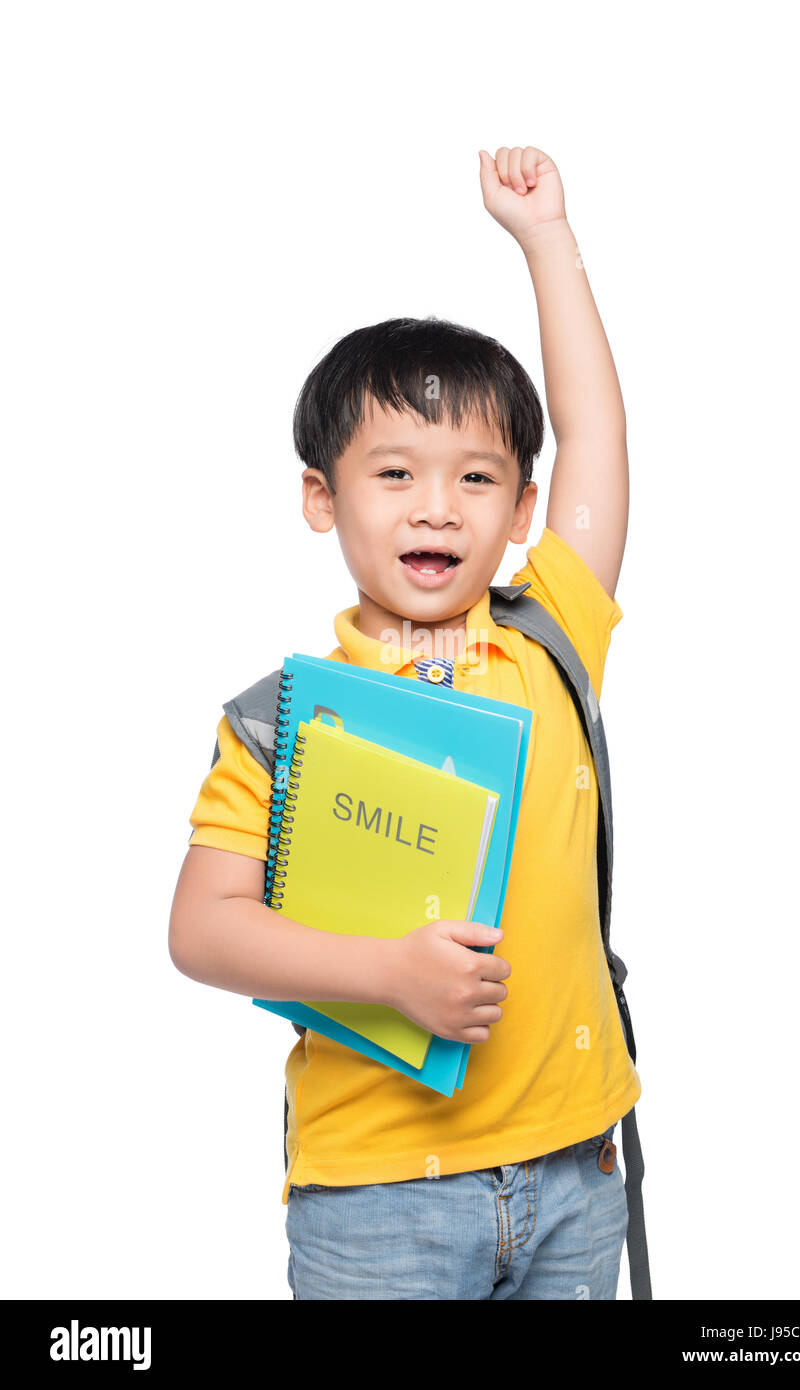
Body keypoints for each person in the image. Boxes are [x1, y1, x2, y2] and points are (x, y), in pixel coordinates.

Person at [169, 144, 639, 1300]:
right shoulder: (281, 723)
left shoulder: (549, 645)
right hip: (381, 1199)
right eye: (394, 474)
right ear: (321, 495)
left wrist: (546, 240)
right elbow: (202, 930)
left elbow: (597, 438)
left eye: (478, 479)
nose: (438, 505)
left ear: (524, 507)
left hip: (578, 1171)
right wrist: (389, 972)